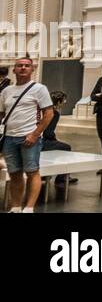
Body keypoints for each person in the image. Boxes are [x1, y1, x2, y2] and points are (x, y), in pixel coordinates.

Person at [2, 56, 55, 213]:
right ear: (14, 70)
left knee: (32, 171)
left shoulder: (39, 89)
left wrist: (35, 134)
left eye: (26, 65)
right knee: (14, 173)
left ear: (32, 69)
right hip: (9, 138)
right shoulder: (6, 91)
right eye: (19, 65)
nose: (23, 68)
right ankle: (16, 206)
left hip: (29, 137)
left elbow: (49, 113)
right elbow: (1, 114)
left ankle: (29, 207)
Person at [43, 92, 73, 198]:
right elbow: (48, 132)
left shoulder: (44, 109)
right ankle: (62, 177)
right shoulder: (54, 113)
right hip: (43, 141)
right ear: (59, 101)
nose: (65, 102)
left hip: (38, 139)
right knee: (66, 147)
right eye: (64, 100)